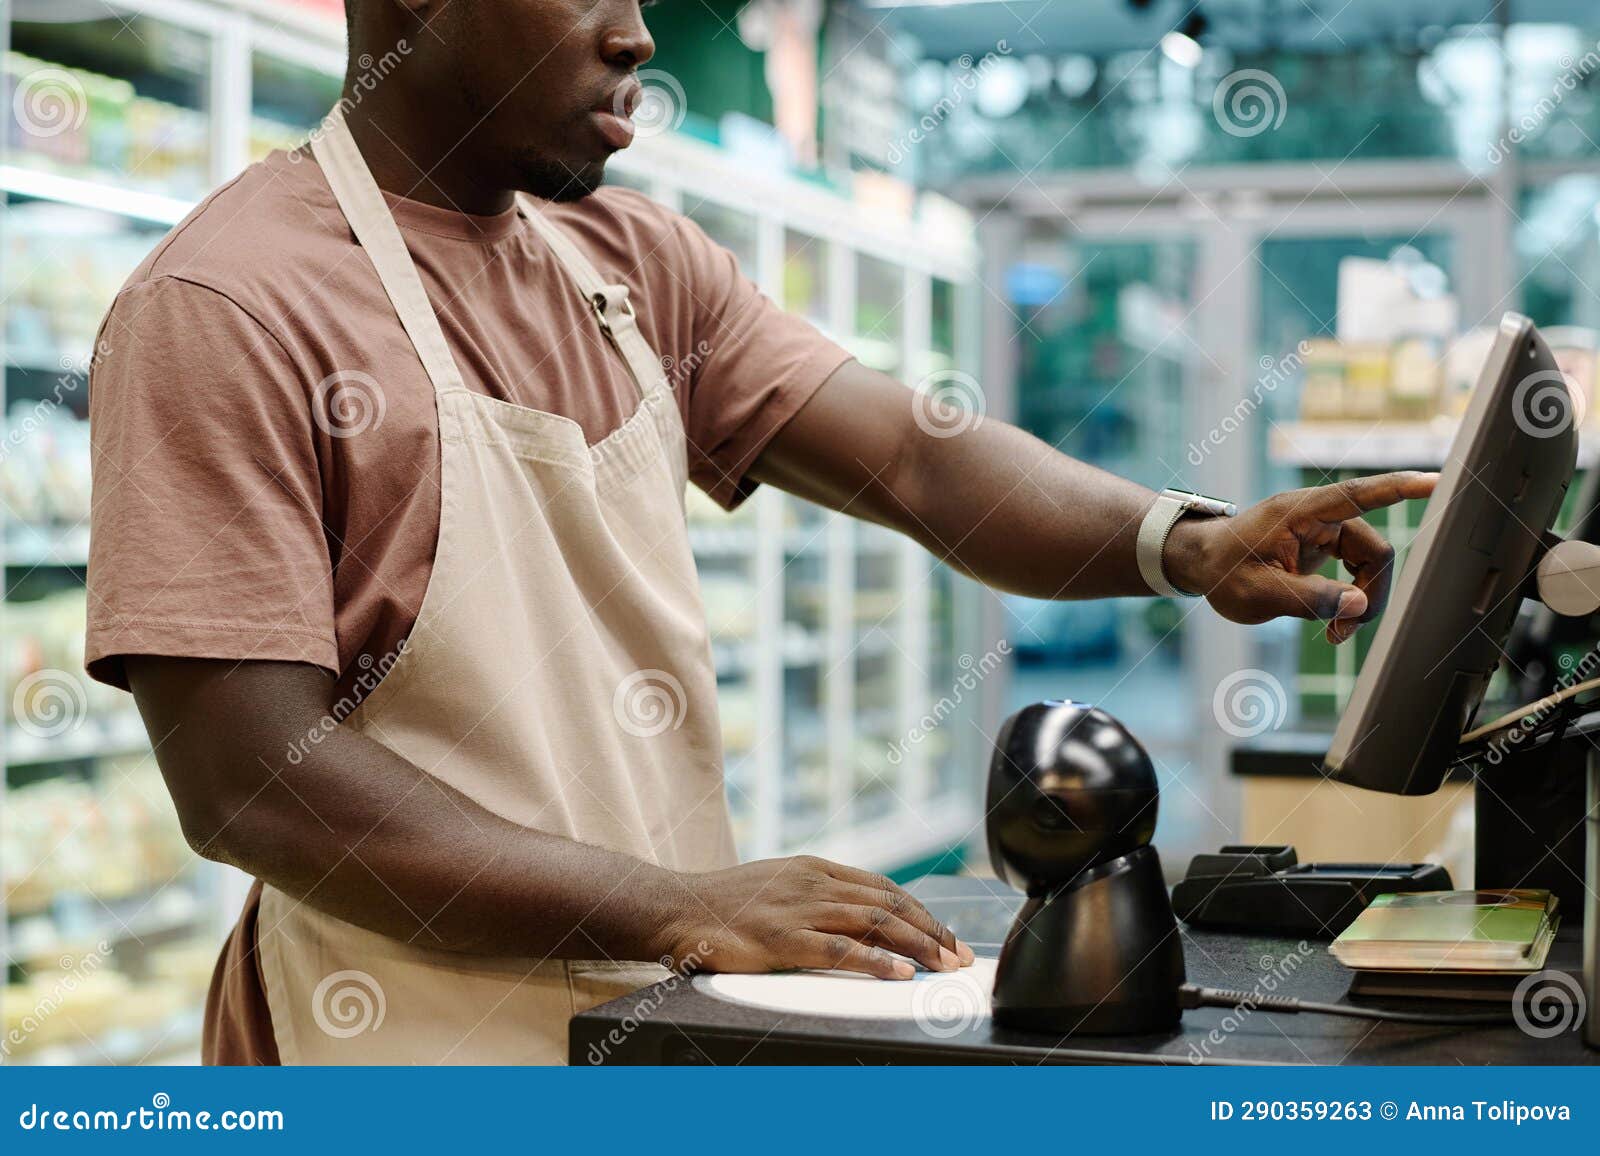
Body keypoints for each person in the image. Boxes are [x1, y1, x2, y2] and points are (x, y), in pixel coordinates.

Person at [85, 0, 1434, 1064]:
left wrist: (1179, 541)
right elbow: (254, 781)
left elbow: (916, 457)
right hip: (399, 1038)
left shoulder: (634, 268)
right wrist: (677, 903)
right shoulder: (230, 303)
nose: (638, 33)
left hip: (661, 1016)